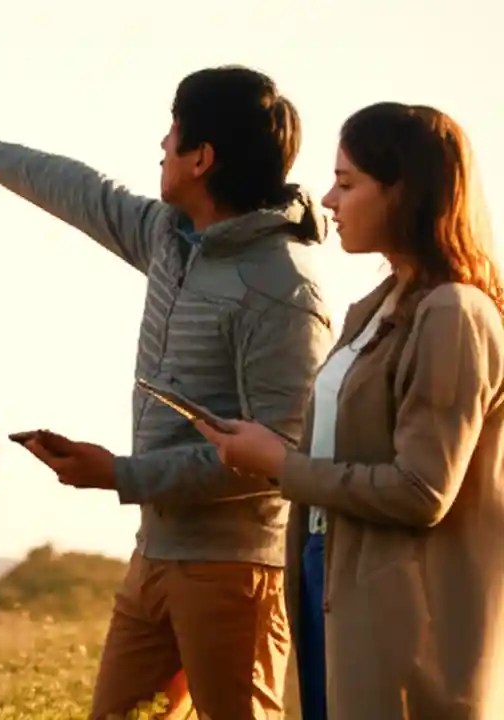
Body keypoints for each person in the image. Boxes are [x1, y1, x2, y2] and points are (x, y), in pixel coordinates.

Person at [0, 65, 334, 719]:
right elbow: (83, 191)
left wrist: (121, 473)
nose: (161, 145)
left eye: (173, 133)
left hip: (234, 573)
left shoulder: (282, 288)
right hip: (154, 555)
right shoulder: (170, 237)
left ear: (201, 158)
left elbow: (280, 460)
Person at [197, 102, 504, 719]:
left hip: (402, 616)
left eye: (347, 182)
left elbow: (421, 490)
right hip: (329, 578)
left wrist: (283, 464)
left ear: (404, 192)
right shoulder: (376, 309)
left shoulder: (452, 313)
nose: (329, 201)